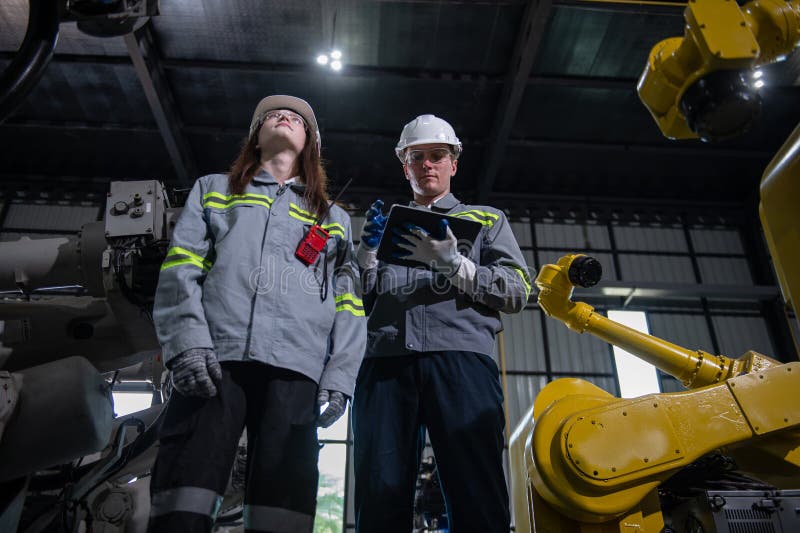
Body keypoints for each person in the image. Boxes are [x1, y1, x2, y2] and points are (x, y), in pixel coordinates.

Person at [148, 95, 366, 532]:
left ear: (309, 143)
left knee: (282, 509)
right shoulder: (214, 190)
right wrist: (187, 343)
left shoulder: (334, 218)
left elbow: (350, 305)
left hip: (297, 369)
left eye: (298, 118)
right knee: (184, 494)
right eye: (272, 114)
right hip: (214, 362)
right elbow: (181, 267)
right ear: (255, 137)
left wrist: (340, 378)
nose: (285, 116)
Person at [352, 114, 531, 532]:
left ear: (454, 163)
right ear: (405, 165)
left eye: (437, 155)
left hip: (462, 362)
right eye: (418, 157)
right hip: (386, 364)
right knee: (379, 489)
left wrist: (456, 265)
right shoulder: (383, 229)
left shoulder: (487, 220)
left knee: (476, 489)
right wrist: (367, 253)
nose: (427, 164)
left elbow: (517, 291)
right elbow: (355, 299)